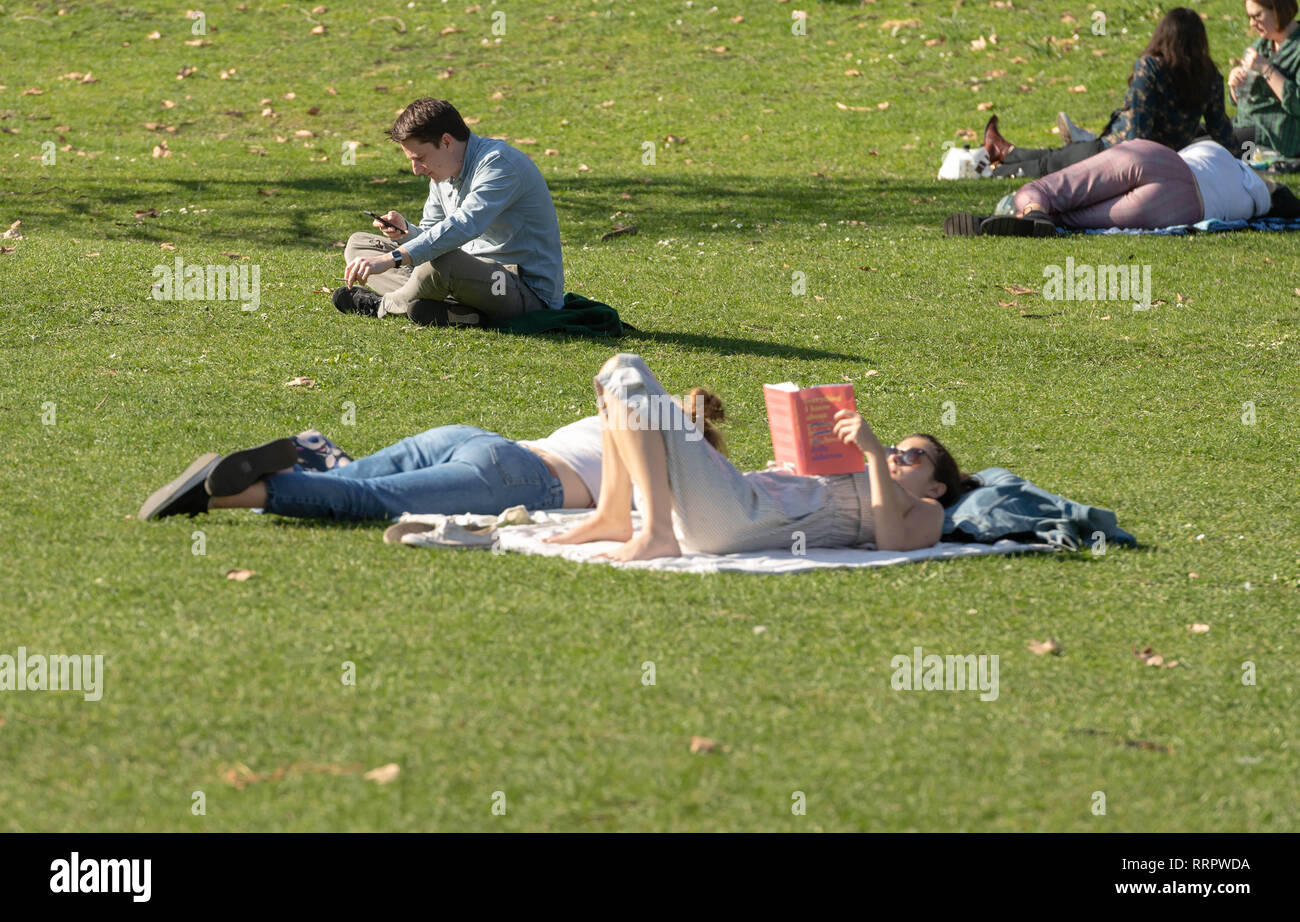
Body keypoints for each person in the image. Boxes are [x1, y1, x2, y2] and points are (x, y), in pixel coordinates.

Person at [544, 354, 973, 562]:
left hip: (737, 520)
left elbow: (891, 544)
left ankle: (655, 532)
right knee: (614, 379)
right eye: (897, 448)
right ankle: (614, 515)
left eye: (913, 455)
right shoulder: (866, 474)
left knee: (629, 373)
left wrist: (876, 457)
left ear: (936, 484)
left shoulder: (927, 509)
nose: (898, 456)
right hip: (737, 501)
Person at [137, 395, 724, 522]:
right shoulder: (669, 456)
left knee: (361, 475)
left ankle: (300, 456)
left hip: (480, 437)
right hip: (521, 478)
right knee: (375, 501)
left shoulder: (616, 410)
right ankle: (230, 492)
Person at [332, 98, 564, 327]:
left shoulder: (500, 165)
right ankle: (452, 310)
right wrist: (407, 232)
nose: (415, 170)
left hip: (518, 290)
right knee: (358, 245)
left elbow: (464, 225)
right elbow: (433, 234)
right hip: (462, 276)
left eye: (420, 158)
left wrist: (391, 258)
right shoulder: (443, 173)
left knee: (443, 264)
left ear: (446, 141)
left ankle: (382, 305)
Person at [983, 8, 1234, 178]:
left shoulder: (1152, 68)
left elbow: (1139, 130)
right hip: (1163, 157)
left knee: (1049, 163)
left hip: (1117, 153)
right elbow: (1221, 129)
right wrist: (1241, 163)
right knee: (1056, 155)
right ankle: (1004, 151)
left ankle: (988, 170)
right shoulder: (1209, 76)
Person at [944, 138, 1287, 235]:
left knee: (1055, 190)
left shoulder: (1215, 153)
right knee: (1075, 218)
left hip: (1159, 158)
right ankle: (1037, 220)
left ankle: (1029, 209)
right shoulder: (1257, 200)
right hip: (1185, 206)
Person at [1229, 0, 1300, 158]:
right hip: (1244, 124)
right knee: (1189, 134)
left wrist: (1267, 70)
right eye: (1250, 17)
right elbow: (1238, 100)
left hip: (1272, 137)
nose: (1252, 23)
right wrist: (1235, 84)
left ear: (1277, 11)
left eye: (1257, 16)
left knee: (1204, 147)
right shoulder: (1262, 45)